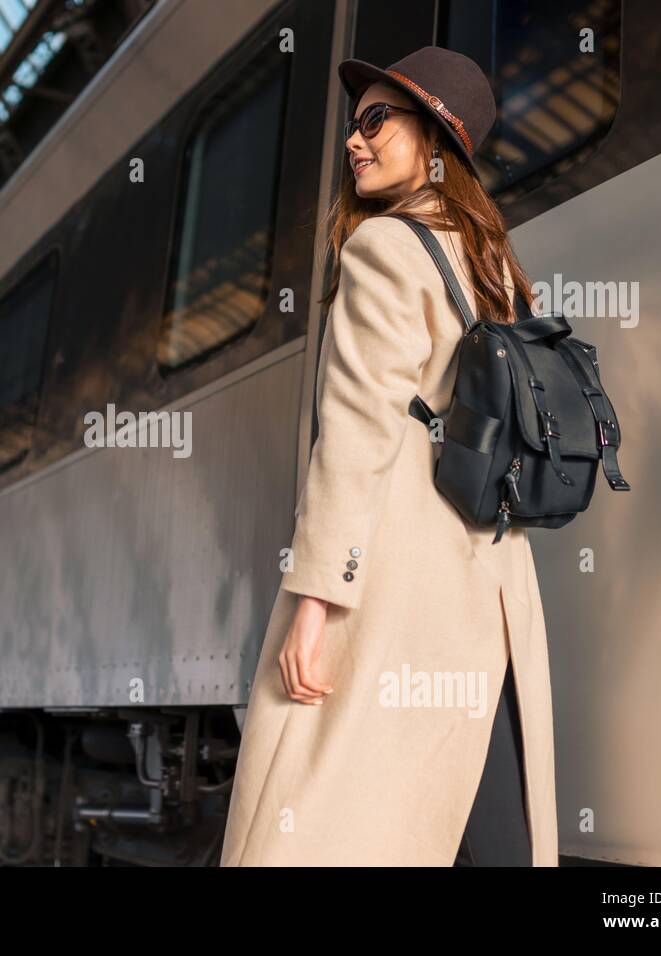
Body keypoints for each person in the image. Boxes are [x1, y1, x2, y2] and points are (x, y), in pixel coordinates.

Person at [219, 47, 557, 866]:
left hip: (397, 585)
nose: (354, 141)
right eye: (353, 123)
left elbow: (358, 435)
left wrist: (315, 601)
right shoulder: (493, 264)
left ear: (436, 140)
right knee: (485, 813)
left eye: (377, 121)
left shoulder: (380, 250)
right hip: (494, 587)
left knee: (328, 816)